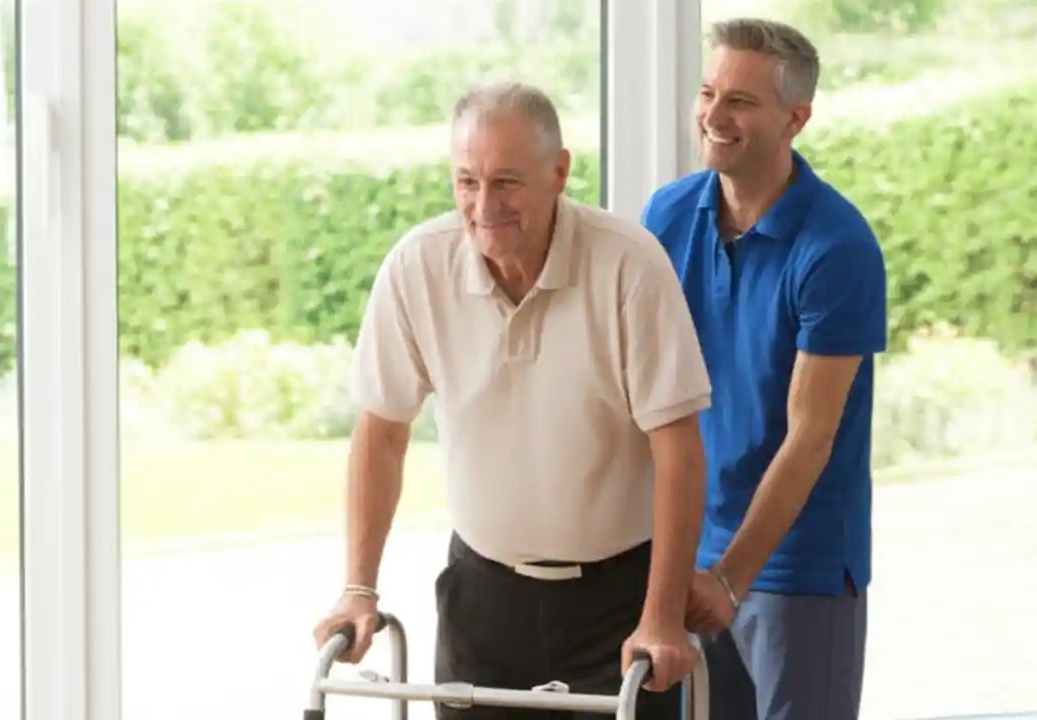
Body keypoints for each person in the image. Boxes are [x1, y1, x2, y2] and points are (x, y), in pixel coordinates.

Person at [311, 80, 713, 719]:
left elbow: (680, 451)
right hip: (483, 601)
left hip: (619, 603)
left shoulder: (628, 265)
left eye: (506, 182)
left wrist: (662, 616)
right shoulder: (418, 267)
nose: (484, 206)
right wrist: (359, 588)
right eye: (467, 181)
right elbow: (381, 433)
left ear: (560, 172)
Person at [640, 17, 889, 720]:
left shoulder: (837, 247)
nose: (713, 116)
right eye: (708, 93)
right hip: (693, 546)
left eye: (741, 102)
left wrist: (731, 577)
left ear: (795, 119)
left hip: (797, 564)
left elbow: (810, 439)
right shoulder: (668, 215)